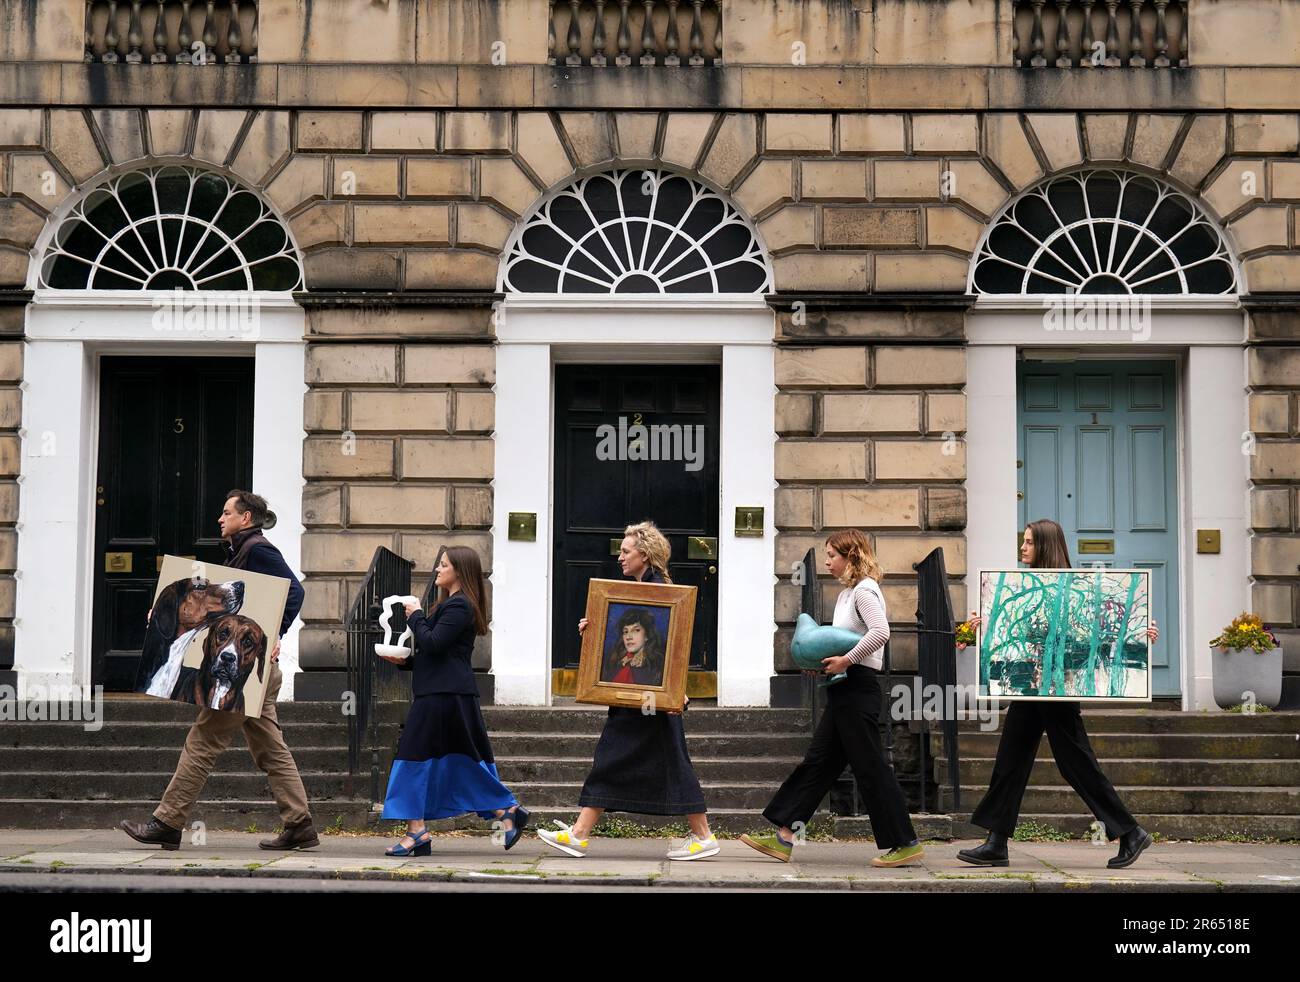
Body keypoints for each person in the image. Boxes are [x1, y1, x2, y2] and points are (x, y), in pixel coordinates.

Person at [956, 518, 1160, 870]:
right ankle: (996, 842)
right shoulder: (1030, 586)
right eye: (1023, 541)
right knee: (1011, 759)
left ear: (1045, 546)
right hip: (1032, 687)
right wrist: (984, 627)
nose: (1022, 548)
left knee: (1074, 761)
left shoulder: (1075, 587)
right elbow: (1022, 630)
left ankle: (1129, 832)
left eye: (1029, 542)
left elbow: (1099, 630)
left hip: (1060, 688)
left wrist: (1139, 634)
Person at [121, 490, 316, 851]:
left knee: (204, 740)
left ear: (246, 518)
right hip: (255, 675)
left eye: (226, 512)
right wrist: (164, 609)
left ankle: (167, 820)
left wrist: (274, 634)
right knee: (270, 748)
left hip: (243, 674)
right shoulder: (241, 551)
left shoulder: (258, 549)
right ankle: (299, 824)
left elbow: (295, 593)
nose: (219, 518)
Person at [740, 529, 924, 868]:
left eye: (832, 556)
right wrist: (822, 664)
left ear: (850, 556)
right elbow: (839, 642)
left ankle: (905, 841)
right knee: (818, 763)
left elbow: (881, 633)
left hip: (857, 688)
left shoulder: (865, 590)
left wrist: (847, 661)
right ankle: (784, 836)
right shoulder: (846, 595)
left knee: (869, 768)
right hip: (842, 687)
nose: (826, 562)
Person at [537, 521, 718, 861]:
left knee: (643, 760)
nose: (619, 556)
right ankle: (580, 833)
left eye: (626, 551)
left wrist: (676, 690)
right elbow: (622, 648)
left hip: (651, 699)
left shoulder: (660, 590)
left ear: (645, 554)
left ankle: (703, 836)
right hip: (638, 695)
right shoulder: (633, 592)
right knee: (623, 758)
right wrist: (594, 630)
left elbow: (671, 647)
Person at [377, 547, 528, 856]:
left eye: (443, 565)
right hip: (443, 693)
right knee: (456, 762)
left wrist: (415, 614)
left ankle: (421, 831)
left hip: (445, 697)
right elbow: (439, 653)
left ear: (459, 570)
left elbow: (433, 643)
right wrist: (405, 662)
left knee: (412, 759)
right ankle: (503, 813)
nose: (437, 570)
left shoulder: (460, 606)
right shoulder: (450, 605)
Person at [601, 607, 666, 686]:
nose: (628, 637)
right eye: (625, 632)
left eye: (636, 630)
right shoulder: (613, 662)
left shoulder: (659, 666)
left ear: (647, 635)